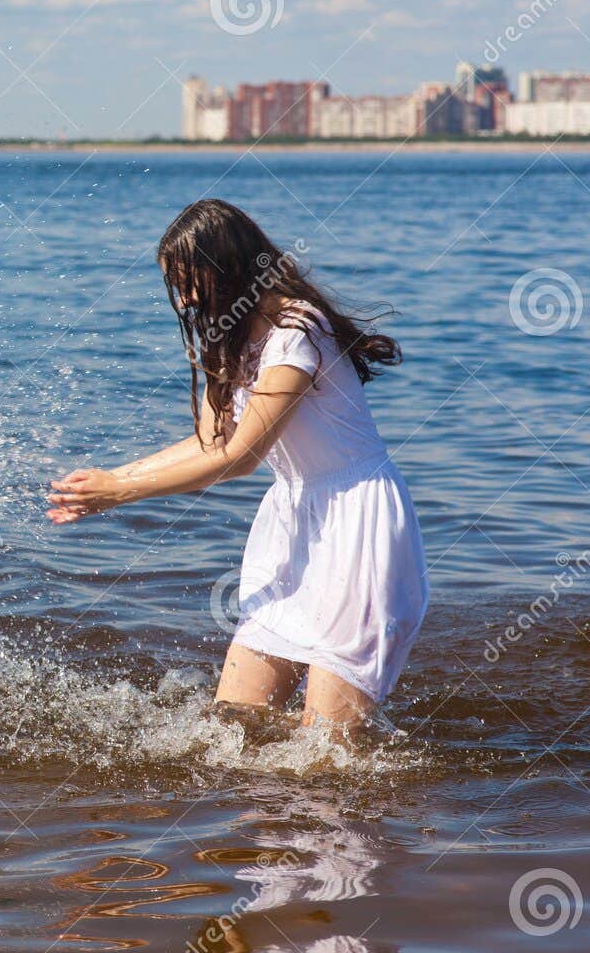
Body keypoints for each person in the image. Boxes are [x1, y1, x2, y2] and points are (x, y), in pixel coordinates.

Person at [46, 199, 428, 727]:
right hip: (294, 520)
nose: (184, 300)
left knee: (331, 751)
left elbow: (241, 456)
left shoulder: (298, 332)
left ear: (225, 267)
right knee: (236, 725)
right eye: (175, 286)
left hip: (357, 523)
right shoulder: (232, 336)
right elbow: (209, 441)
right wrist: (110, 481)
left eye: (189, 282)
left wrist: (120, 493)